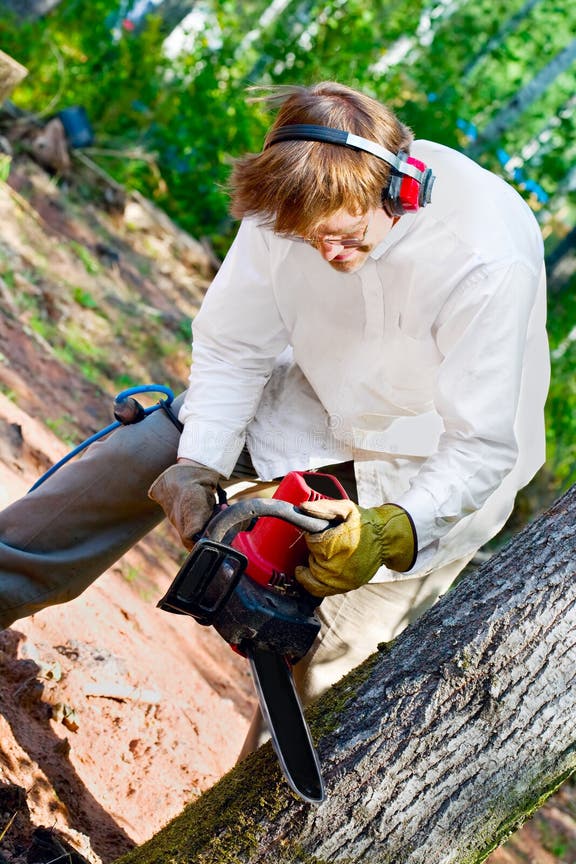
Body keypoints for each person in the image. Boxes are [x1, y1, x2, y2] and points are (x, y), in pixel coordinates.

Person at [0, 82, 549, 749]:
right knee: (149, 449)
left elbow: (481, 447)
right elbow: (234, 346)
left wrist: (390, 529)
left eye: (345, 238)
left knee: (320, 686)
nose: (329, 254)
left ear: (398, 190)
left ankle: (247, 839)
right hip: (314, 401)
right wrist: (199, 461)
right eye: (311, 241)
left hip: (430, 472)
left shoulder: (484, 262)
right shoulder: (287, 201)